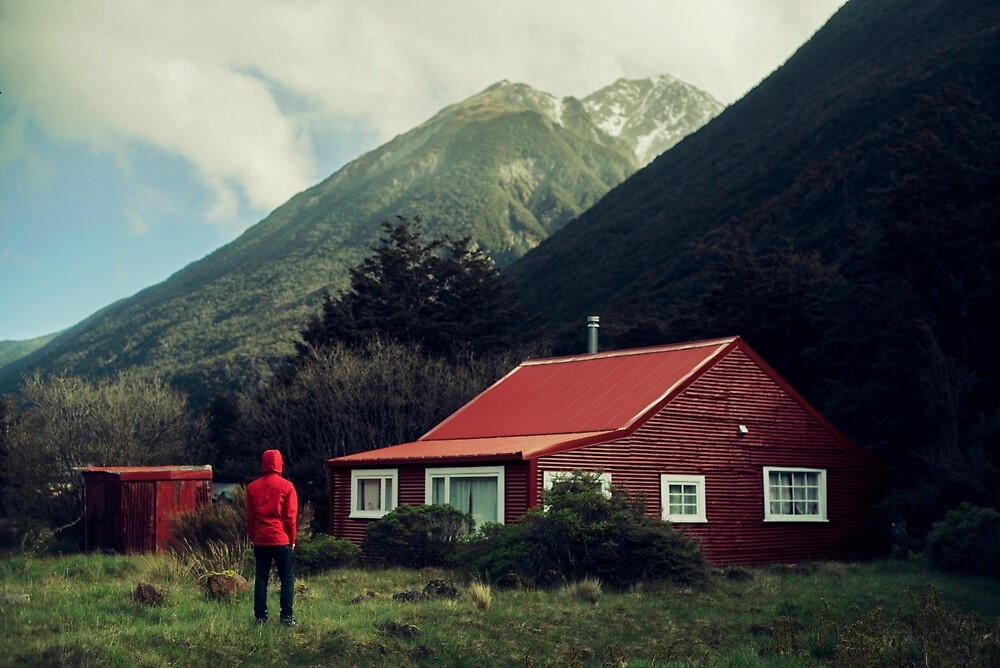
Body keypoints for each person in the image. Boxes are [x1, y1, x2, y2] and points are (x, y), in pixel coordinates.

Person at [245, 449, 298, 626]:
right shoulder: (287, 486)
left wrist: (253, 536)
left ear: (264, 463)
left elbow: (250, 516)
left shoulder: (252, 487)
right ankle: (286, 617)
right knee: (286, 577)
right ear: (280, 463)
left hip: (261, 539)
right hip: (281, 539)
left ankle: (260, 617)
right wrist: (292, 538)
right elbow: (290, 516)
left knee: (261, 578)